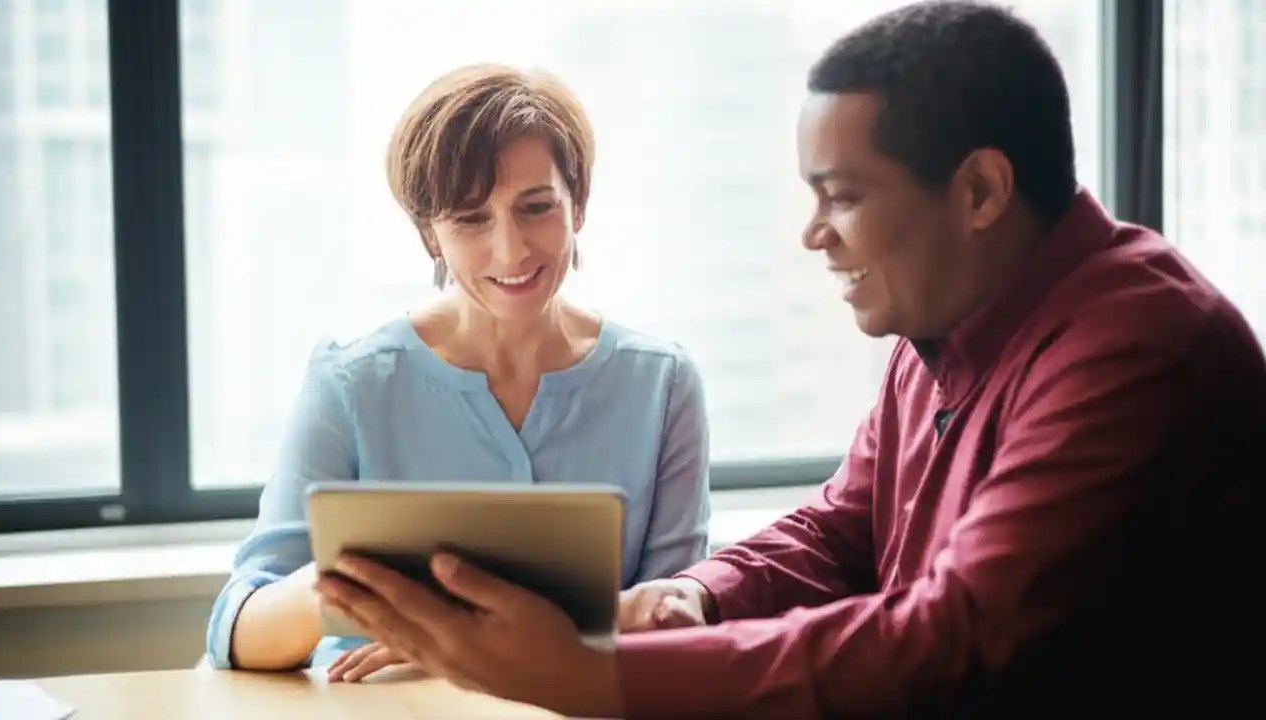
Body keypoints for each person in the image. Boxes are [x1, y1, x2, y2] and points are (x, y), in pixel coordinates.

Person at [313, 1, 1266, 717]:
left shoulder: (1140, 344)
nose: (814, 235)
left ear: (979, 191)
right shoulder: (946, 325)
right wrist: (692, 595)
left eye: (841, 197)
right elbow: (842, 532)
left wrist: (589, 673)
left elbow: (954, 638)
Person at [204, 64, 712, 678]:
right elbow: (239, 632)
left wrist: (470, 637)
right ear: (431, 234)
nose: (511, 249)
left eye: (536, 207)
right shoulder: (352, 383)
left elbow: (677, 625)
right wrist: (383, 589)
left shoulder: (662, 385)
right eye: (471, 219)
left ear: (577, 207)